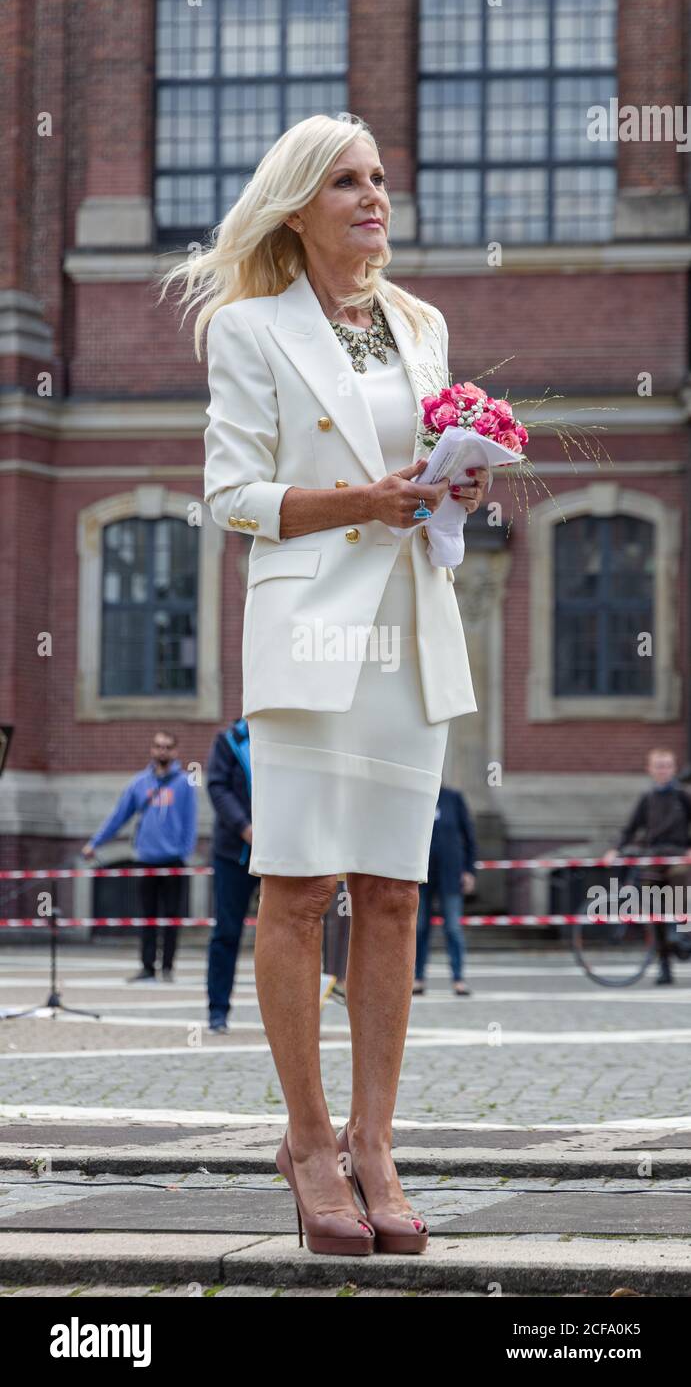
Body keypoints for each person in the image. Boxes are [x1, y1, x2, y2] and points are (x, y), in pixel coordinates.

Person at [161, 112, 488, 1258]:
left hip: (407, 627)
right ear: (296, 205)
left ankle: (376, 1139)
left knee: (392, 892)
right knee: (298, 890)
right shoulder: (249, 330)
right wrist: (362, 499)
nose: (372, 197)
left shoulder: (422, 323)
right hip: (307, 629)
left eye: (380, 178)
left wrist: (454, 488)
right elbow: (229, 498)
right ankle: (306, 1141)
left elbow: (426, 472)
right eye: (345, 181)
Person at [82, 732, 197, 982]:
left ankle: (167, 967)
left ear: (175, 751)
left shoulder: (186, 783)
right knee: (147, 915)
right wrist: (95, 843)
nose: (162, 751)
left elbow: (191, 821)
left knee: (171, 917)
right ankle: (147, 966)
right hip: (146, 858)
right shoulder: (139, 784)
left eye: (167, 747)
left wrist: (185, 851)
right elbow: (118, 817)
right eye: (158, 746)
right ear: (152, 750)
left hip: (173, 861)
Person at [603, 748, 691, 985]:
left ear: (673, 769)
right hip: (653, 857)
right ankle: (664, 964)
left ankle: (683, 934)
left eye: (667, 766)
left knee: (679, 884)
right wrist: (615, 849)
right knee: (655, 911)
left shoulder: (683, 796)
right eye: (658, 766)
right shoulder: (647, 799)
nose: (663, 770)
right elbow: (630, 828)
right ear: (650, 770)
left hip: (678, 856)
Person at [205, 717, 256, 1033]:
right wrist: (244, 827)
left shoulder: (287, 734)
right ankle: (218, 1010)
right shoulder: (228, 740)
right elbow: (217, 786)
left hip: (280, 853)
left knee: (285, 934)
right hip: (233, 853)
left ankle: (285, 1017)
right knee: (226, 933)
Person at [414, 783, 478, 997]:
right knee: (419, 928)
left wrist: (469, 871)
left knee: (453, 928)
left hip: (451, 874)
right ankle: (417, 977)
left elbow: (469, 838)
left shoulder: (453, 798)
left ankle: (458, 978)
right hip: (422, 876)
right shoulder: (418, 796)